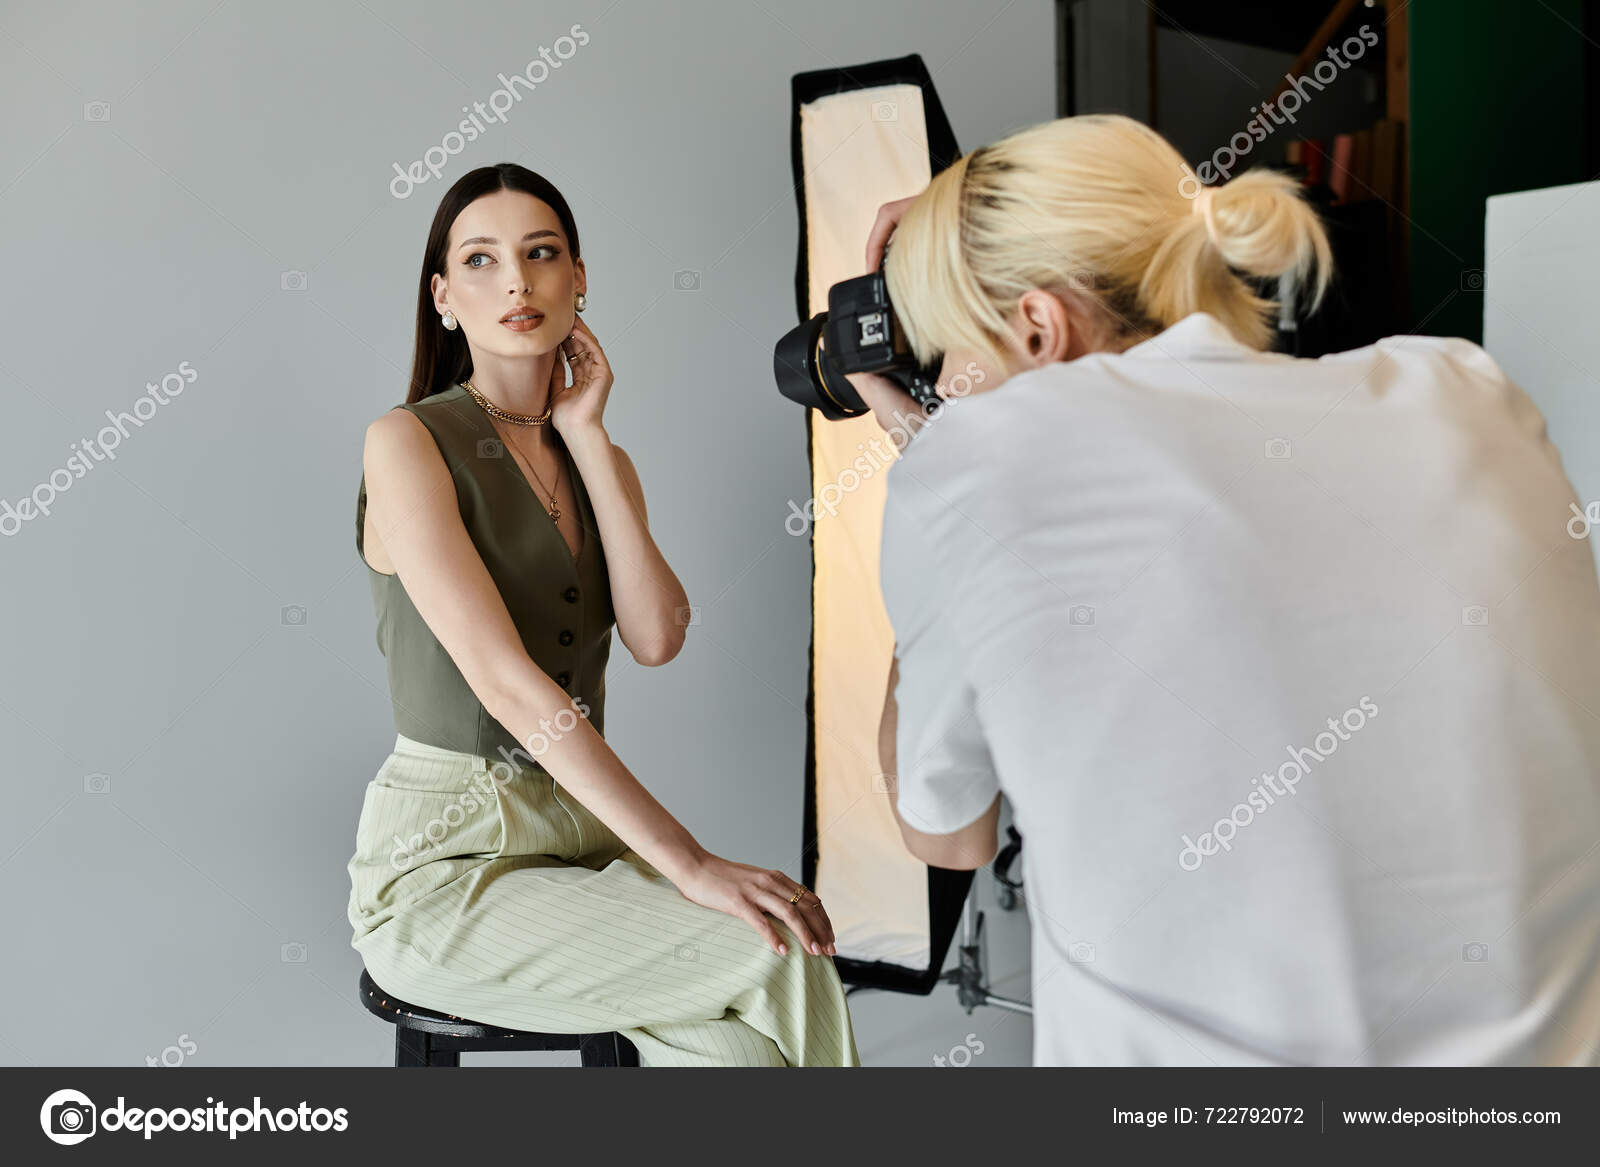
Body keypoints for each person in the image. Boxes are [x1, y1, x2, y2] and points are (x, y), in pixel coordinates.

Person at [847, 114, 1600, 1065]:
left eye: (949, 357)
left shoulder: (974, 467)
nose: (944, 390)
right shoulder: (1461, 388)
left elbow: (946, 835)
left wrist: (927, 473)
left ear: (1038, 327)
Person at [346, 162, 858, 1067]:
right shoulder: (406, 443)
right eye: (481, 259)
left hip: (576, 846)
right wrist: (691, 862)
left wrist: (587, 437)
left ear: (578, 277)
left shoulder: (600, 456)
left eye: (541, 254)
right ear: (443, 295)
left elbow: (657, 635)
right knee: (776, 953)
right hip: (444, 867)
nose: (516, 281)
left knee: (740, 1053)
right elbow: (509, 685)